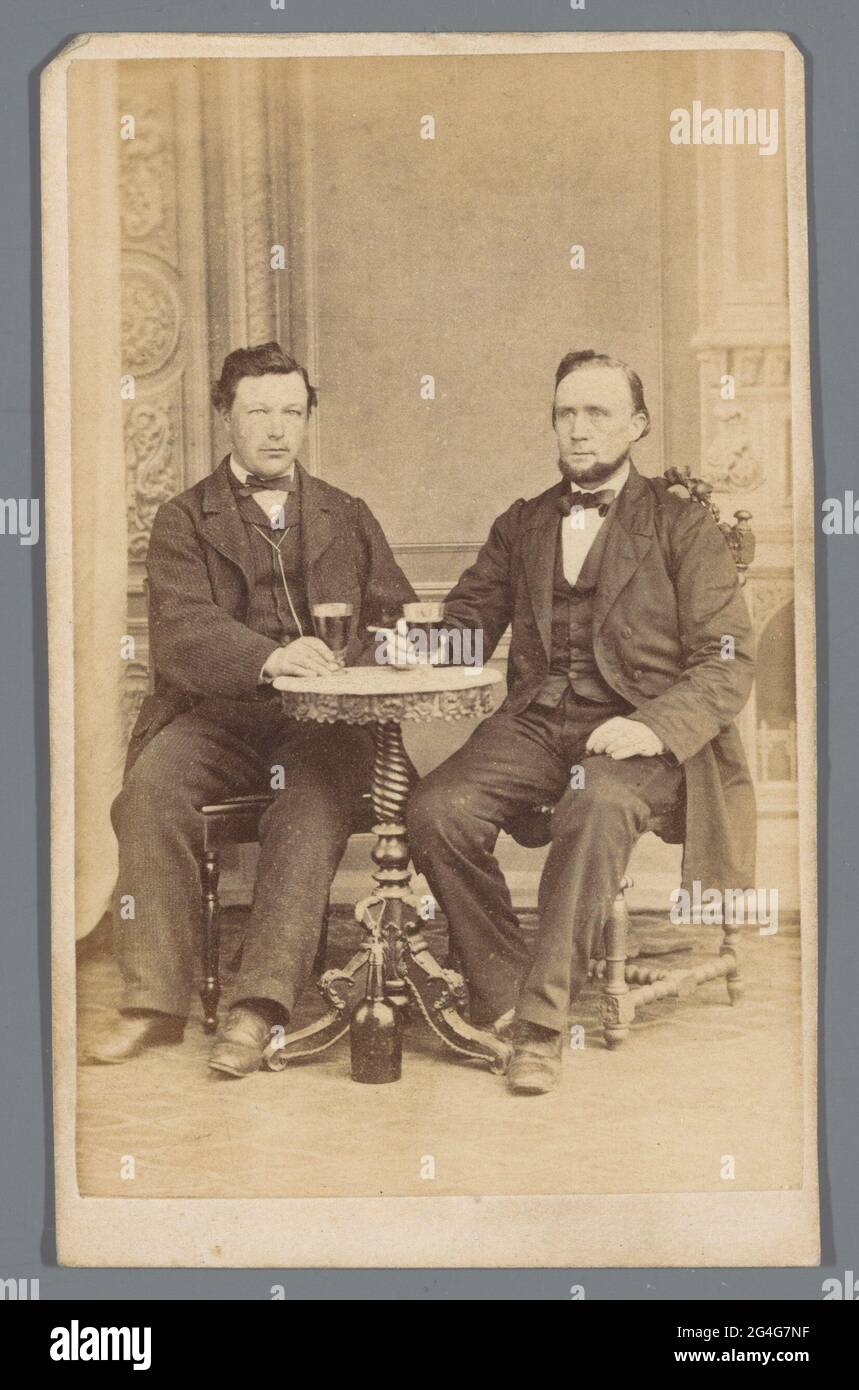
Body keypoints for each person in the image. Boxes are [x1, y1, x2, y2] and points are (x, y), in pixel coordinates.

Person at [406, 350, 756, 1095]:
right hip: (535, 721)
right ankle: (502, 992)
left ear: (636, 425)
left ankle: (540, 1027)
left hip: (639, 730)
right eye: (566, 413)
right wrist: (409, 642)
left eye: (597, 413)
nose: (579, 429)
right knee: (434, 810)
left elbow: (727, 660)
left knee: (596, 804)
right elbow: (469, 620)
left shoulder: (682, 525)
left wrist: (653, 727)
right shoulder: (524, 523)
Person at [89, 342, 415, 1076]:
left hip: (324, 724)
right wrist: (268, 658)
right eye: (258, 412)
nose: (276, 429)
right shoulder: (182, 520)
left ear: (306, 419)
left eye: (291, 412)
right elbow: (180, 631)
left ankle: (258, 1007)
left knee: (307, 805)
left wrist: (353, 665)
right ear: (225, 418)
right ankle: (153, 1004)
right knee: (149, 790)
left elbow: (394, 616)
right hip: (219, 714)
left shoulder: (346, 513)